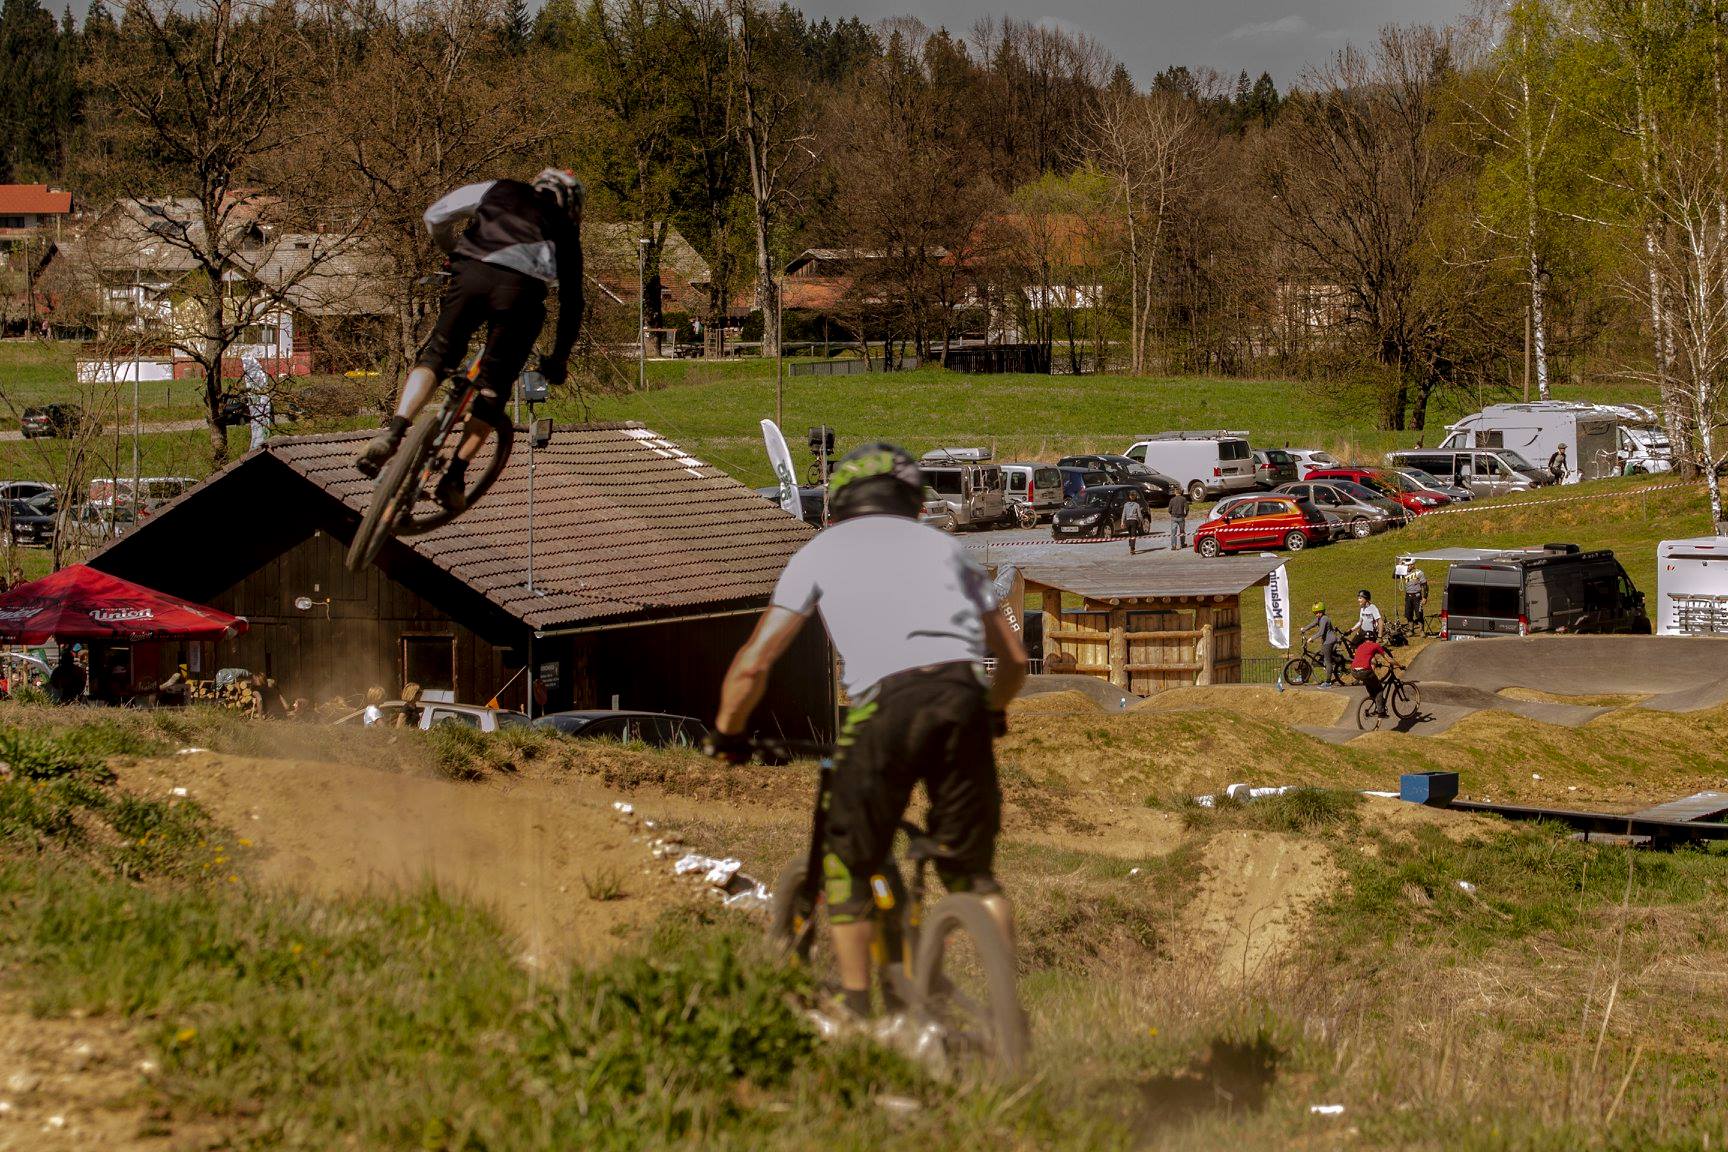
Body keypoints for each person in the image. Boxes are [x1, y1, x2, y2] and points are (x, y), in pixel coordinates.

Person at [703, 442, 1029, 1025]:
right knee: (974, 876)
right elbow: (1014, 663)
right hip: (960, 698)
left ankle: (858, 1012)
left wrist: (726, 736)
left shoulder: (822, 549)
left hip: (883, 709)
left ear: (843, 500)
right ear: (911, 498)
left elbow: (754, 664)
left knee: (847, 865)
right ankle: (1009, 1021)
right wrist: (992, 711)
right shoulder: (949, 549)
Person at [356, 168, 586, 512]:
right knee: (493, 390)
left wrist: (455, 251)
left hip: (471, 272)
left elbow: (434, 215)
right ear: (572, 206)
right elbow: (572, 303)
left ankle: (395, 429)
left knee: (437, 354)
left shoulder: (499, 188)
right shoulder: (566, 230)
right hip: (520, 295)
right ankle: (454, 477)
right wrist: (558, 359)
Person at [1301, 601, 1345, 684]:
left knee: (1327, 661)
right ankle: (1338, 660)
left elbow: (1321, 632)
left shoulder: (1324, 619)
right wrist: (1304, 629)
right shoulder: (1319, 618)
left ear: (1323, 611)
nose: (1317, 614)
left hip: (1329, 641)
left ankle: (1328, 682)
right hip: (1327, 641)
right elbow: (1312, 624)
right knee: (1324, 654)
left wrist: (1311, 638)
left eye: (1318, 612)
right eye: (1315, 613)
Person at [1351, 634, 1396, 714]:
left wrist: (1376, 664)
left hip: (1354, 671)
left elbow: (1371, 659)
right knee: (1379, 689)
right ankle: (1381, 712)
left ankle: (1375, 701)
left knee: (1371, 686)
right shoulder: (1375, 645)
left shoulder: (1360, 646)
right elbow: (1388, 659)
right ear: (1374, 638)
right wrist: (1400, 665)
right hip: (1364, 671)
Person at [1397, 562, 1429, 629]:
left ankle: (1421, 630)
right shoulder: (1404, 572)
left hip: (1417, 595)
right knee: (1408, 613)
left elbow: (1425, 585)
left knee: (1419, 614)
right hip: (1408, 595)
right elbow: (1394, 576)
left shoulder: (1419, 573)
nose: (1410, 566)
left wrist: (1425, 597)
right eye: (1408, 565)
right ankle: (1411, 629)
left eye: (1411, 564)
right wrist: (1399, 566)